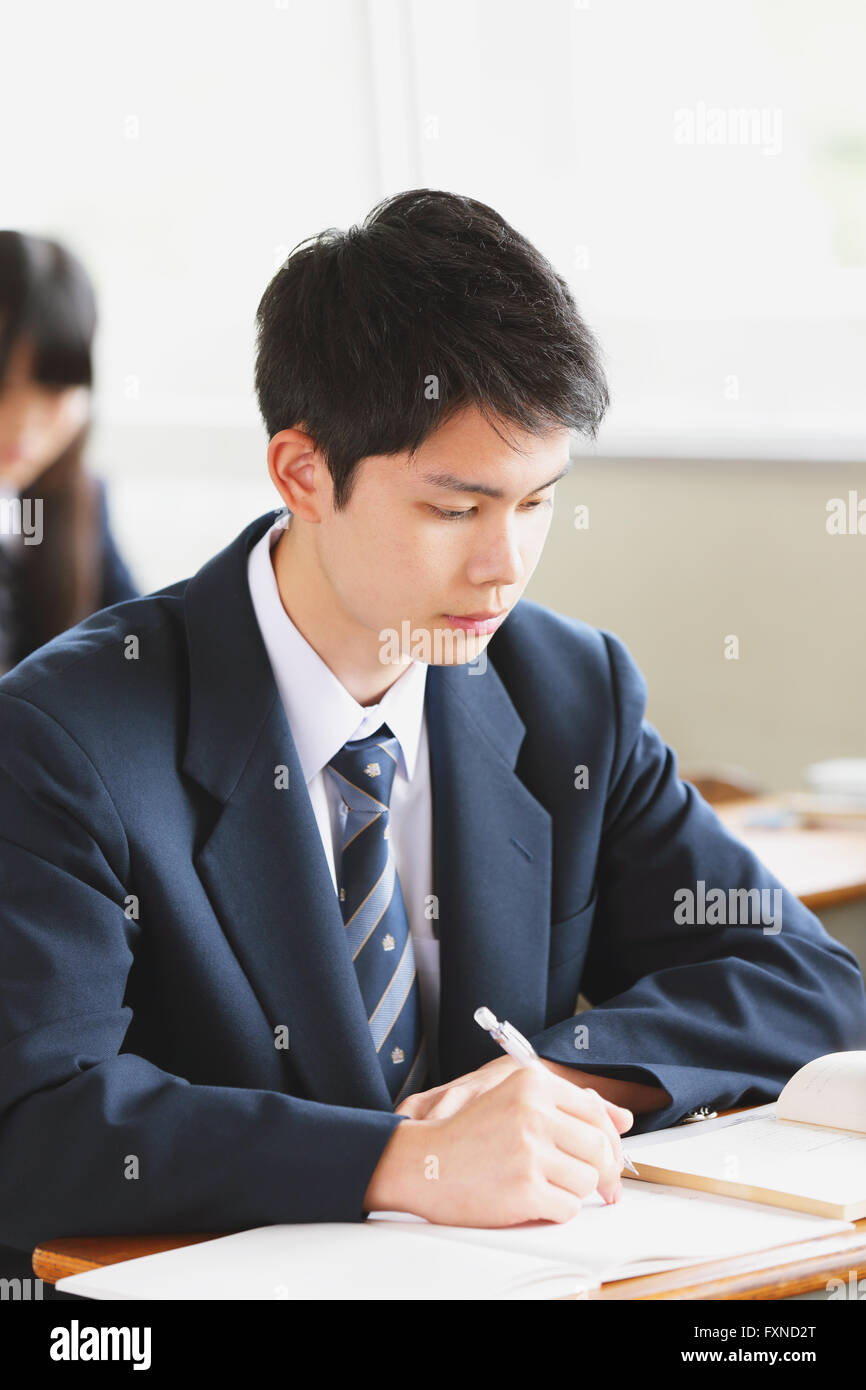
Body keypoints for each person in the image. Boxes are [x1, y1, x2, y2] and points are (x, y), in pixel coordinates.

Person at [0, 190, 864, 1267]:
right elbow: (35, 1122)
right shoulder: (66, 733)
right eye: (455, 509)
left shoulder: (568, 689)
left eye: (537, 501)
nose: (503, 566)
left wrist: (547, 1084)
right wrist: (399, 1158)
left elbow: (804, 977)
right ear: (302, 472)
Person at [0, 231, 137, 677]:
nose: (23, 421)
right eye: (2, 384)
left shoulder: (80, 501)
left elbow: (143, 643)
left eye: (53, 387)